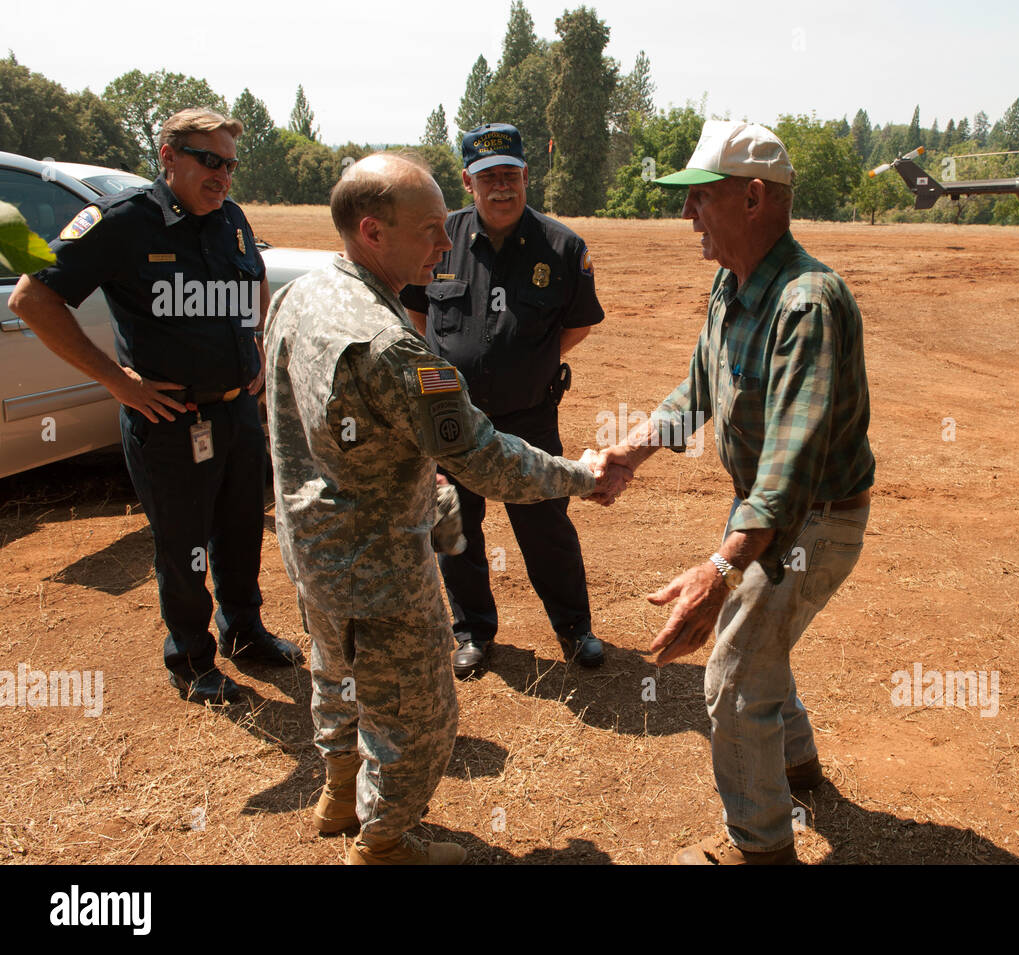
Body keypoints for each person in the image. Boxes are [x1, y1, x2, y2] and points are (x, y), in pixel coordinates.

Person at [266, 152, 623, 865]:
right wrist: (582, 475)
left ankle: (340, 790)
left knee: (334, 675)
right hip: (380, 570)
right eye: (430, 229)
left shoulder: (300, 296)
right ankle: (385, 839)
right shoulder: (395, 348)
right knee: (416, 719)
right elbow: (487, 457)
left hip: (309, 548)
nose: (444, 242)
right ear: (373, 231)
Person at [594, 121, 876, 865]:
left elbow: (792, 465)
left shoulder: (806, 304)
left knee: (732, 676)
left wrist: (720, 570)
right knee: (756, 649)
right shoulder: (733, 284)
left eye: (699, 199)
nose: (687, 215)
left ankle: (760, 850)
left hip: (811, 519)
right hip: (768, 510)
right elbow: (696, 394)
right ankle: (797, 768)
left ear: (754, 198)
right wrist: (632, 450)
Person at [10, 108, 301, 707]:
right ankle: (193, 661)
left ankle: (245, 633)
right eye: (209, 161)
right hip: (171, 422)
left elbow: (256, 284)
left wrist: (256, 345)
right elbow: (32, 298)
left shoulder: (233, 220)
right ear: (168, 156)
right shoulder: (121, 224)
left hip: (237, 414)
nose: (222, 175)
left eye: (230, 165)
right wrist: (118, 382)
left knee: (242, 530)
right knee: (184, 544)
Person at [401, 122, 606, 678]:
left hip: (528, 419)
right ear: (467, 181)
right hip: (449, 417)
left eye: (511, 175)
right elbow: (418, 315)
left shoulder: (561, 246)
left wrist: (527, 363)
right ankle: (471, 633)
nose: (501, 187)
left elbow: (576, 327)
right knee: (453, 528)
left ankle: (574, 629)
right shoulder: (437, 238)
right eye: (488, 176)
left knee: (546, 528)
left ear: (524, 177)